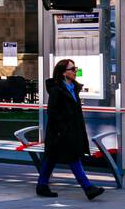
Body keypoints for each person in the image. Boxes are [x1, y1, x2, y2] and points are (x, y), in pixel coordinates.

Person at [37, 58, 105, 200]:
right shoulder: (57, 90)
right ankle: (88, 187)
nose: (75, 71)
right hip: (61, 132)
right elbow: (52, 112)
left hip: (71, 130)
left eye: (75, 69)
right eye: (72, 69)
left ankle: (42, 185)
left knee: (51, 158)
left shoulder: (73, 88)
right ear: (63, 73)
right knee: (73, 157)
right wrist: (63, 129)